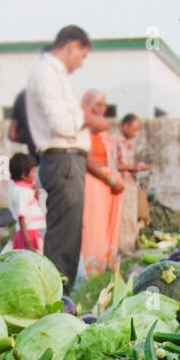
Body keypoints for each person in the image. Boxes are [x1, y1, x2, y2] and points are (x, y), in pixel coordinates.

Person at [25, 25, 110, 286]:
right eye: (82, 56)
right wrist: (89, 119)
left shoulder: (55, 74)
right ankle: (56, 299)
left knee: (69, 235)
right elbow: (61, 124)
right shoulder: (46, 73)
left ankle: (61, 295)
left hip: (67, 159)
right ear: (72, 45)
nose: (80, 63)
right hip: (62, 158)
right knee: (63, 239)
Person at [78, 90, 123, 278]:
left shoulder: (101, 129)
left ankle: (104, 267)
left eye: (103, 105)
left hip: (106, 185)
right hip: (95, 183)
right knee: (93, 228)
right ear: (87, 105)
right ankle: (90, 271)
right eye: (96, 104)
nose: (101, 109)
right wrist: (111, 179)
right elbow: (89, 161)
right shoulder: (85, 127)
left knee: (105, 227)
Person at [115, 113, 150, 253]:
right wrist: (133, 167)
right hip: (121, 184)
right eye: (134, 129)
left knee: (131, 218)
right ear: (126, 126)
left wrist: (137, 167)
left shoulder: (129, 143)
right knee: (124, 219)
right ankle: (124, 251)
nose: (135, 133)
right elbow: (113, 165)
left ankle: (129, 248)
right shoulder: (116, 141)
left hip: (131, 182)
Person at [5, 152, 45, 251]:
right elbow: (21, 217)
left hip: (26, 232)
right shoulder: (22, 192)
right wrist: (27, 241)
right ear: (23, 175)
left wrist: (34, 192)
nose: (34, 175)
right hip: (30, 233)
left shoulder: (15, 187)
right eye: (33, 172)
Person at [7, 89, 38, 160]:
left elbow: (12, 135)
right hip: (58, 157)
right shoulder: (55, 93)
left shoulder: (22, 96)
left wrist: (30, 139)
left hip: (35, 159)